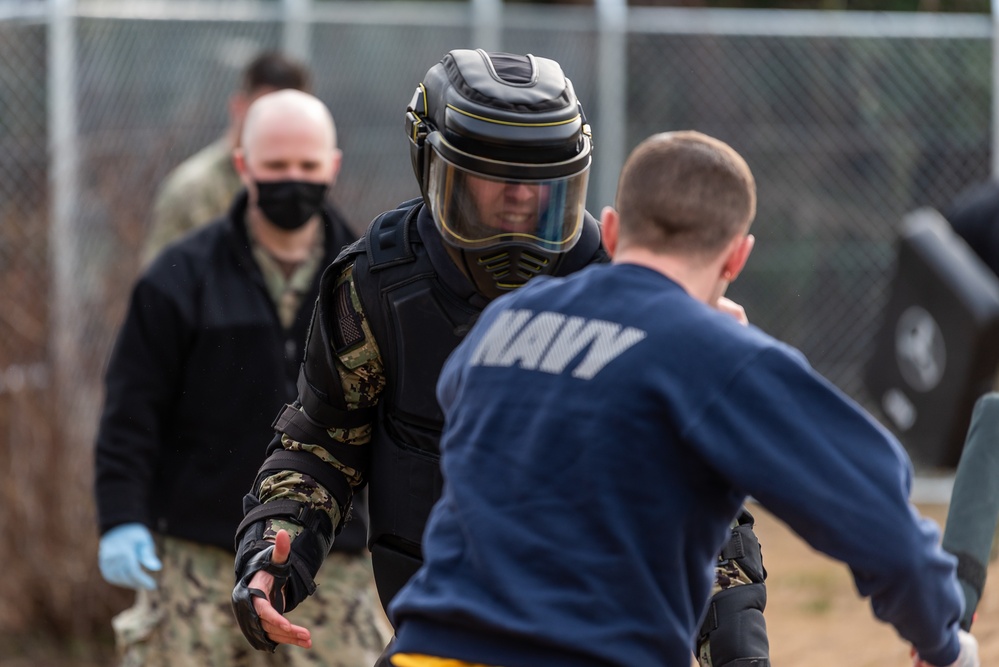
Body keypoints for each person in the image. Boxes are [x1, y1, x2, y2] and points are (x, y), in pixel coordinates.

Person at [231, 49, 770, 667]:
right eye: (493, 179)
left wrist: (735, 636)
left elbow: (695, 490)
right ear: (432, 165)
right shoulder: (377, 288)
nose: (519, 201)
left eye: (542, 184)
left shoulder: (624, 293)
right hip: (448, 624)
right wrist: (274, 553)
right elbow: (324, 440)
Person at [377, 130, 980, 667]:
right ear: (738, 257)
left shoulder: (506, 321)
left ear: (610, 230)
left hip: (427, 648)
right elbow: (877, 511)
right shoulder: (714, 355)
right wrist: (944, 642)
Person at [94, 89, 389, 667]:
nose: (292, 179)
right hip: (195, 560)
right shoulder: (179, 277)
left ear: (333, 165)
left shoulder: (368, 283)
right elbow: (132, 409)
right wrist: (120, 517)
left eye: (307, 166)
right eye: (276, 166)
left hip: (331, 558)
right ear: (243, 165)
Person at [141, 50, 311, 266]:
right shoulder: (192, 189)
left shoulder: (307, 185)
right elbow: (162, 285)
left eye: (291, 115)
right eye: (266, 114)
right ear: (239, 106)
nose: (279, 127)